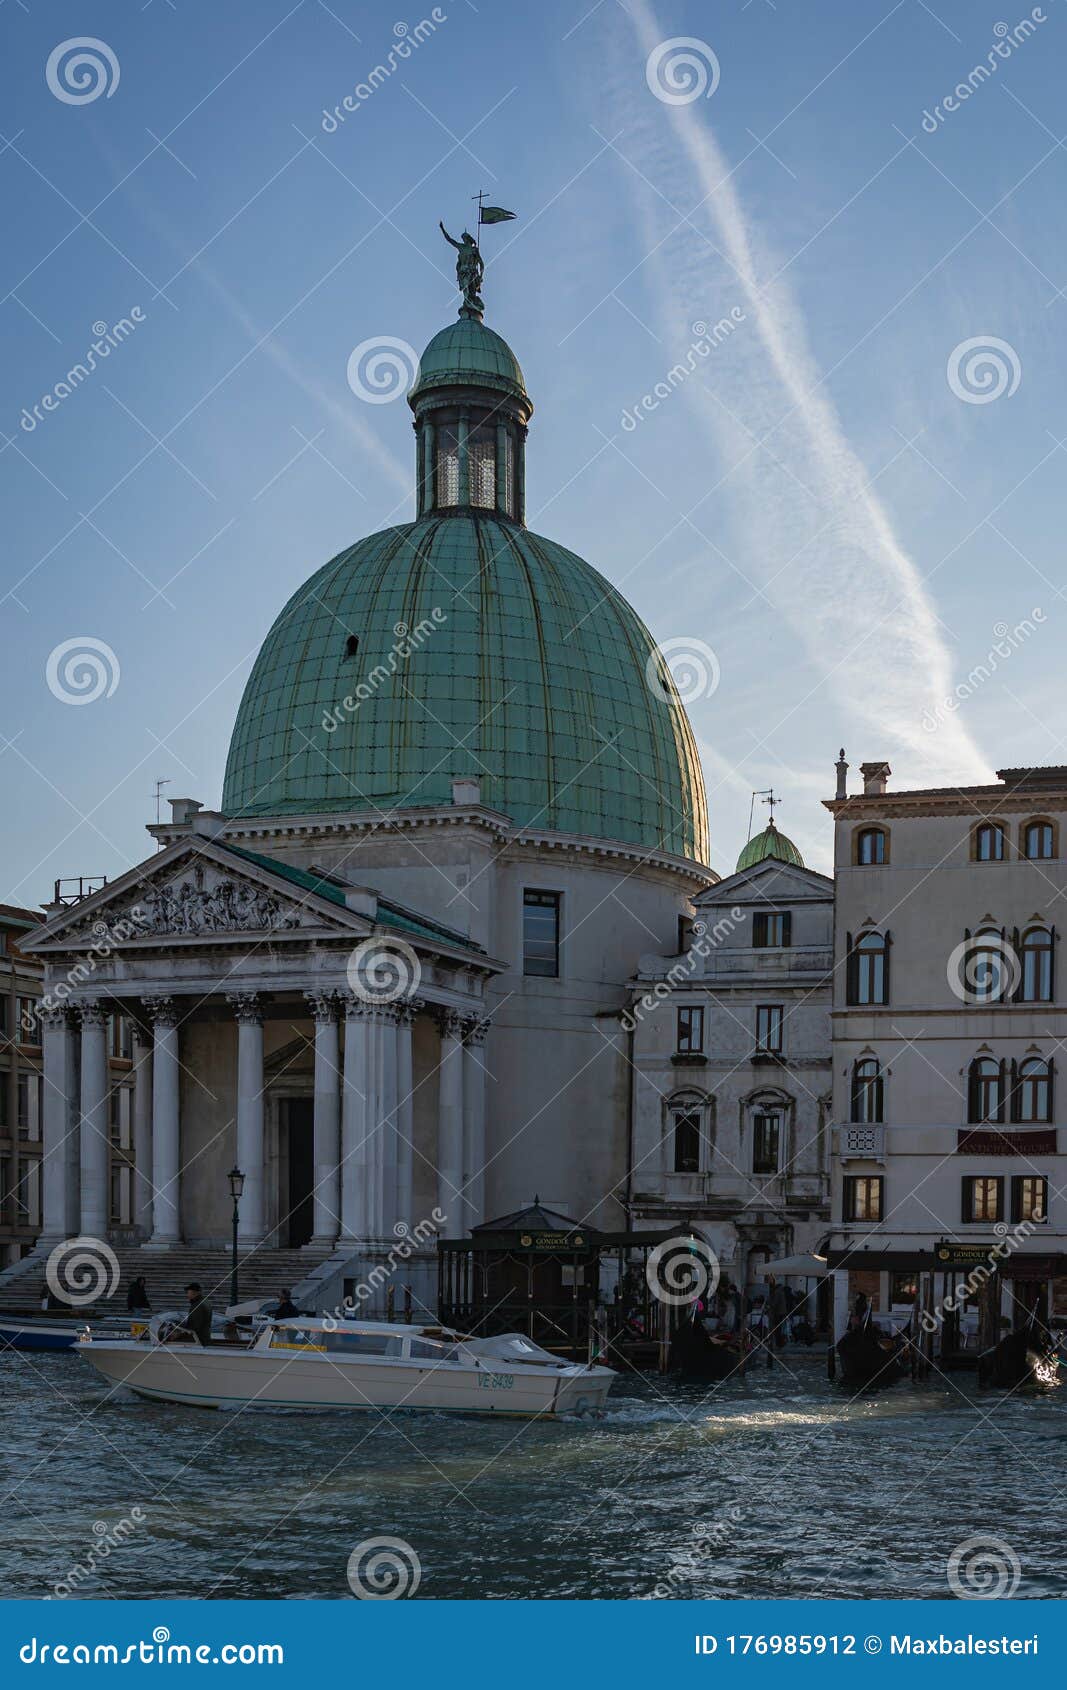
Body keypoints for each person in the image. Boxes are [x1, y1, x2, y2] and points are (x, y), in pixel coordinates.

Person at [182, 1282, 212, 1347]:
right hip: (205, 1337)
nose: (187, 1295)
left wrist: (180, 1333)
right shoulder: (205, 1302)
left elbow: (194, 1326)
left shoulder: (198, 1305)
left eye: (188, 1293)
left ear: (194, 1292)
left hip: (199, 1340)